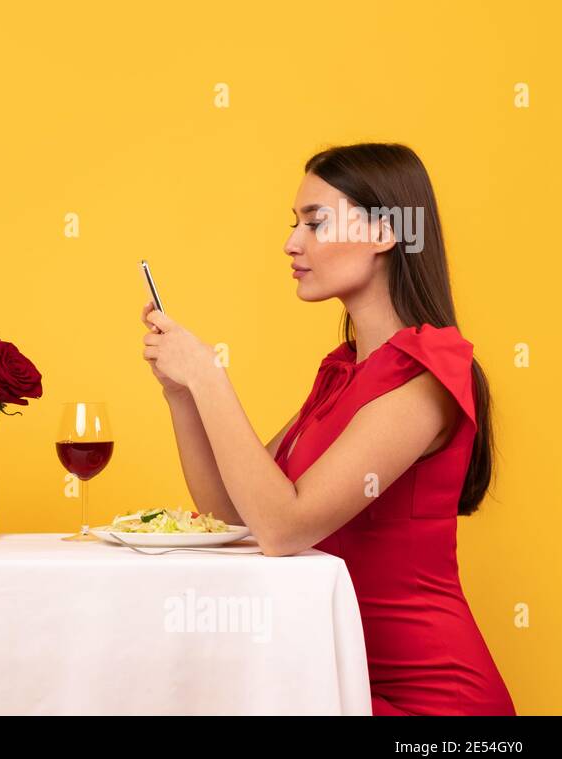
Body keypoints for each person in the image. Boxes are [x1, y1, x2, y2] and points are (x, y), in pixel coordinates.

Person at [140, 143, 514, 715]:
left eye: (316, 222)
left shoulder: (426, 379)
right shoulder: (343, 374)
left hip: (431, 705)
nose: (292, 243)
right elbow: (238, 513)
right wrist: (183, 396)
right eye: (295, 224)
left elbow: (283, 529)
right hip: (336, 684)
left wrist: (210, 375)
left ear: (386, 232)